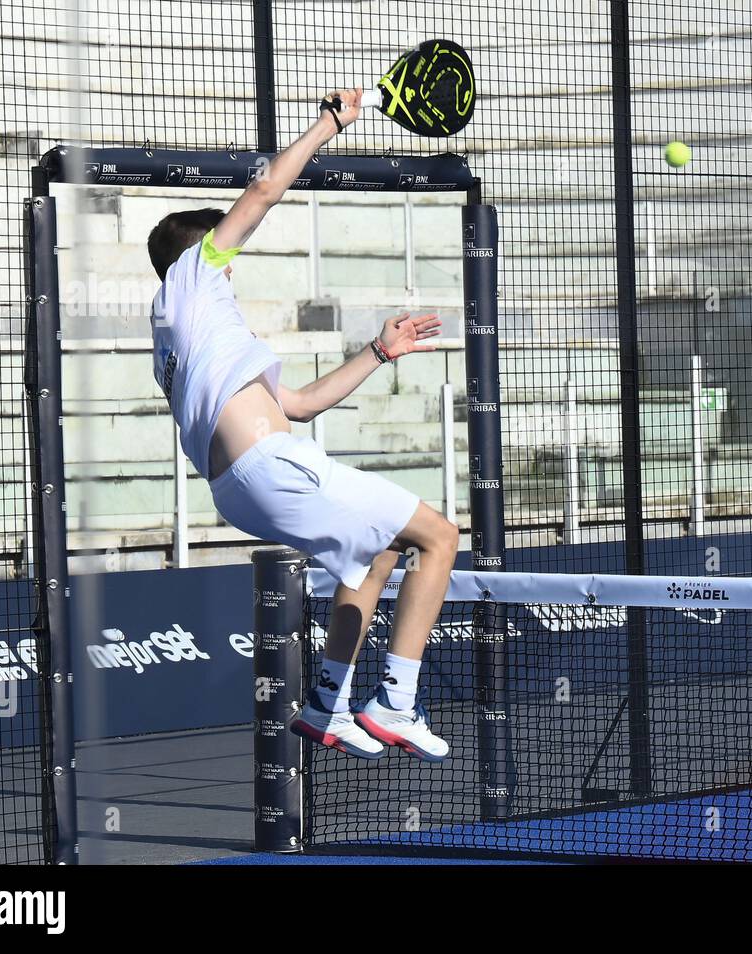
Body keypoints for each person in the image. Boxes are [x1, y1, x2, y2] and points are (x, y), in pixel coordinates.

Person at [145, 89, 456, 762]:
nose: (236, 255)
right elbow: (260, 194)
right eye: (227, 246)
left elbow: (303, 403)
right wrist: (332, 121)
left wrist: (379, 351)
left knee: (378, 553)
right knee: (439, 535)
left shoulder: (188, 341)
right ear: (201, 254)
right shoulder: (194, 277)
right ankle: (395, 702)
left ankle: (325, 703)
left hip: (243, 484)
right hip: (269, 464)